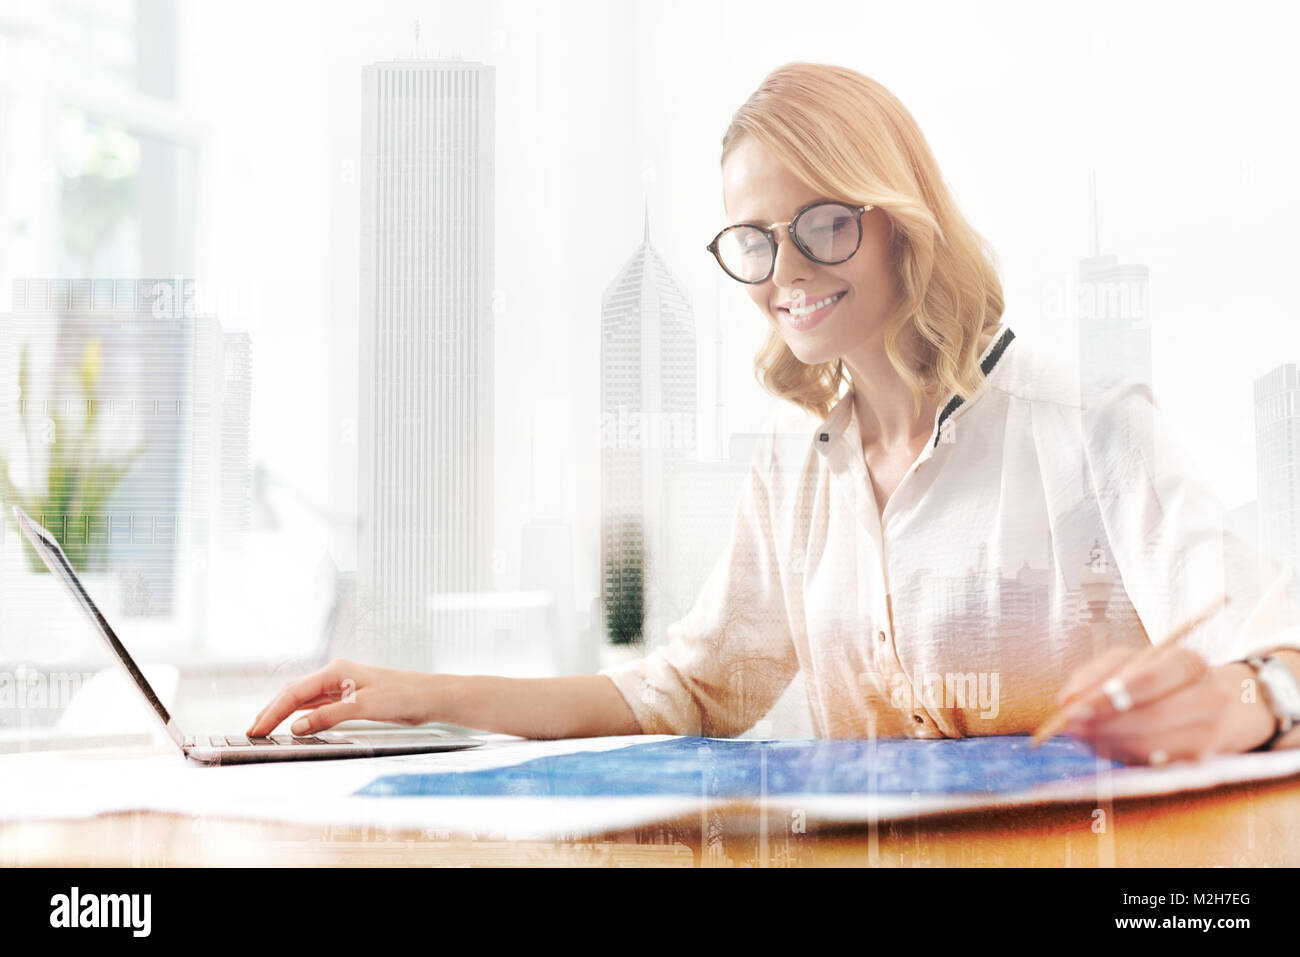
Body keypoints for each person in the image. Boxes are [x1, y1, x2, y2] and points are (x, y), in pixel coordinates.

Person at [248, 62, 1300, 765]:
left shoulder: (1087, 425)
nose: (785, 270)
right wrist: (409, 693)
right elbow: (686, 693)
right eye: (754, 239)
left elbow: (1278, 653)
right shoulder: (797, 468)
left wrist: (1242, 699)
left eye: (823, 225)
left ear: (899, 226)